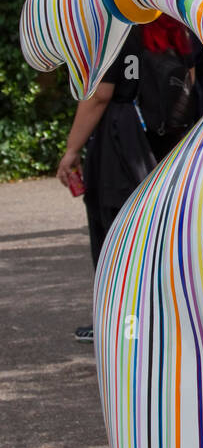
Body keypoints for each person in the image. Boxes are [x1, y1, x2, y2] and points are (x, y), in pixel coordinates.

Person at [57, 26, 156, 342]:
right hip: (145, 132)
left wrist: (72, 149)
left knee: (111, 225)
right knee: (138, 228)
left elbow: (100, 93)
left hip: (115, 136)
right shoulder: (152, 23)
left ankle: (120, 325)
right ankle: (143, 319)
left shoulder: (113, 30)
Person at [138, 0, 196, 162]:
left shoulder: (135, 13)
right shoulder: (181, 12)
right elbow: (191, 70)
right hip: (175, 117)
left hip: (149, 118)